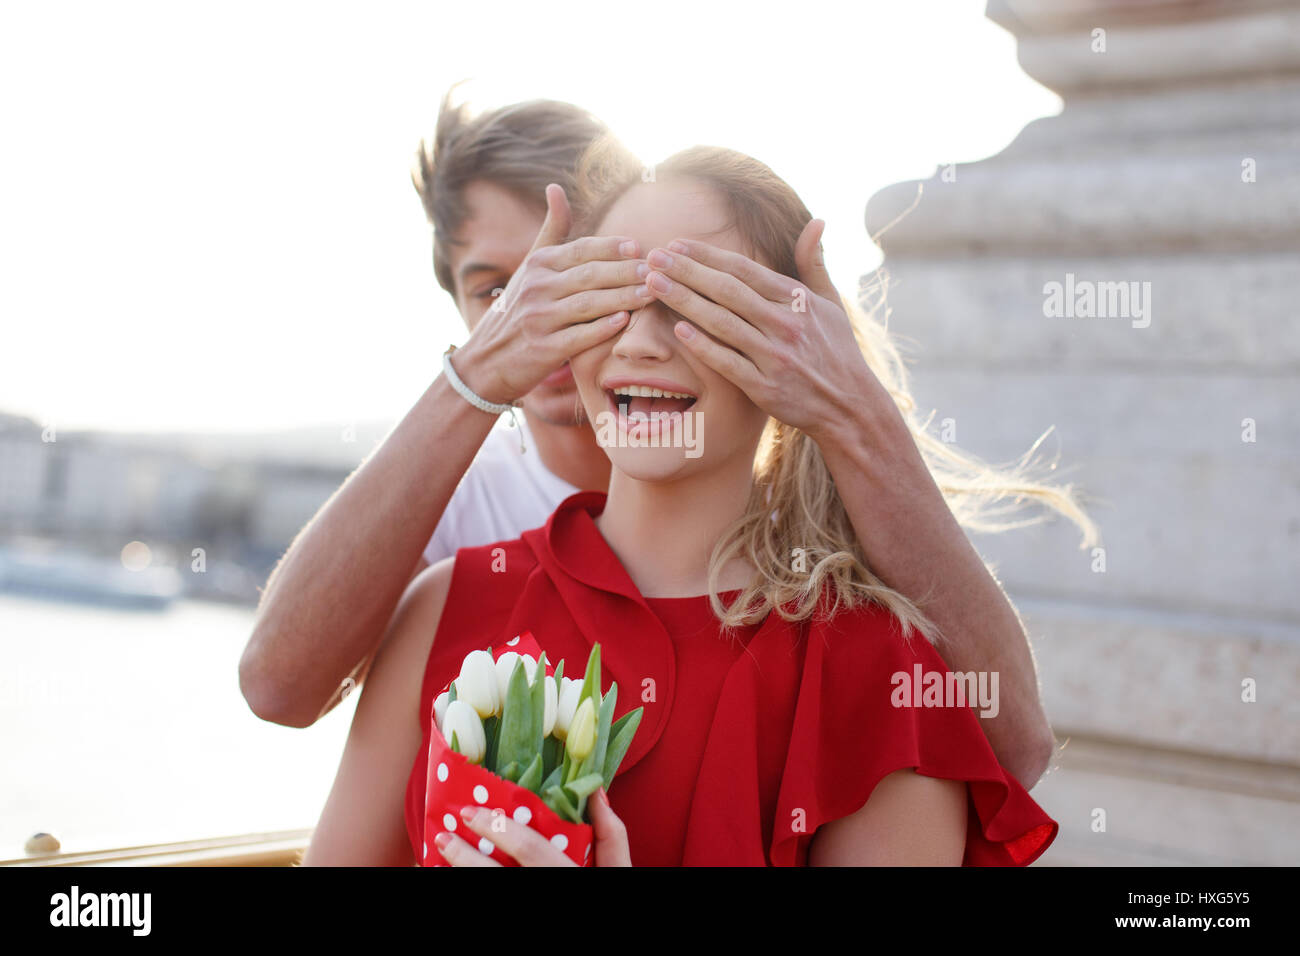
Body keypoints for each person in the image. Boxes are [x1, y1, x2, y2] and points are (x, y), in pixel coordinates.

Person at [242, 87, 1090, 796]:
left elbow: (1012, 748)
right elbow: (278, 687)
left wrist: (853, 409)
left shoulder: (814, 569)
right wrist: (478, 373)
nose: (542, 314)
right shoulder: (449, 529)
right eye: (497, 291)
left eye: (583, 275)